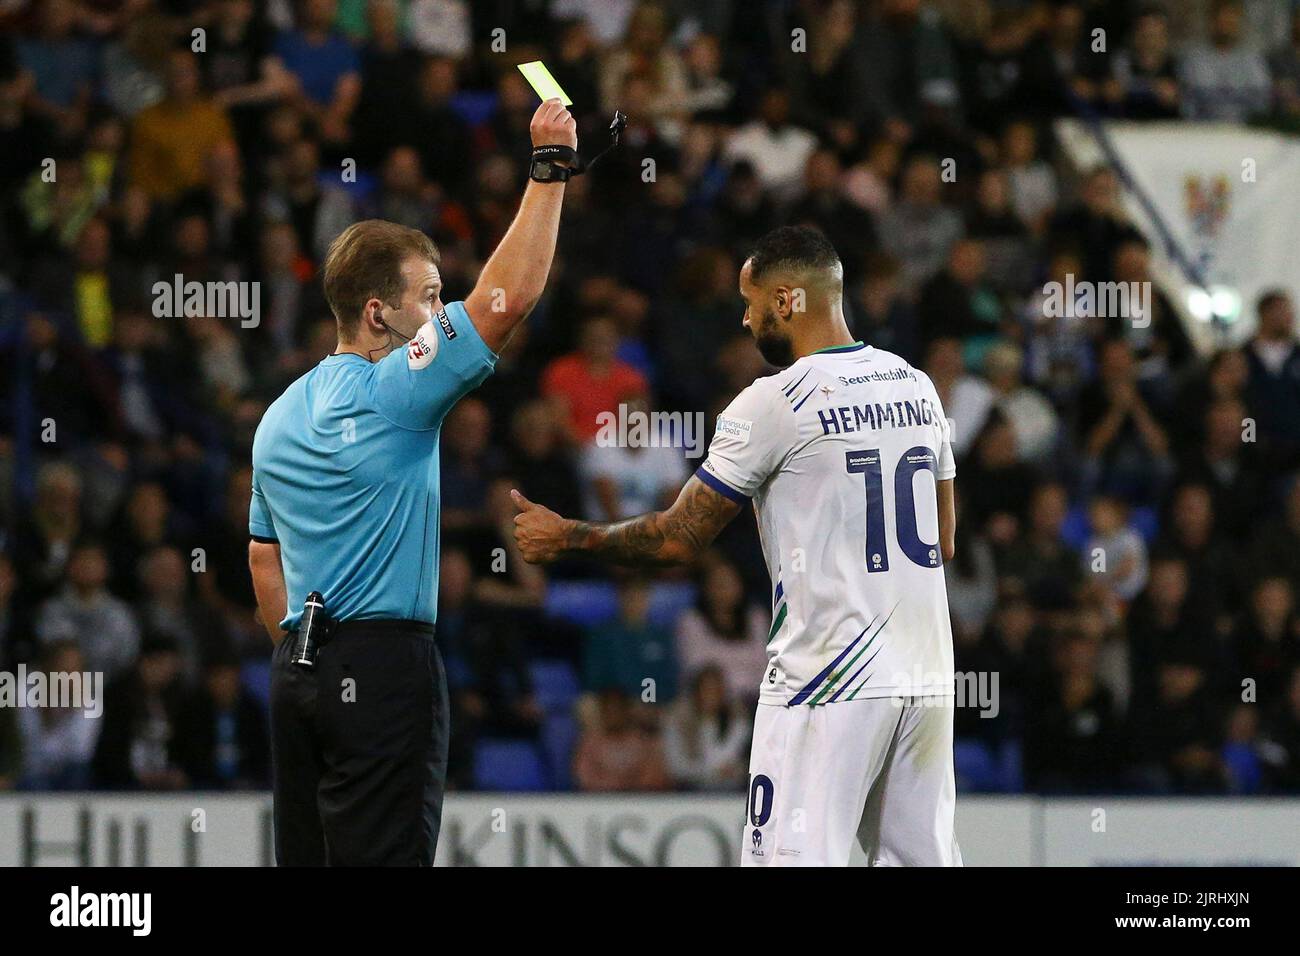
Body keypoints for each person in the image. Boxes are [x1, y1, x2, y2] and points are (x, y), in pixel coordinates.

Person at [512, 225, 962, 866]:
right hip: (924, 676)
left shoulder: (775, 402)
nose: (745, 319)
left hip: (826, 676)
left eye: (750, 302)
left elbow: (676, 539)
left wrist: (570, 537)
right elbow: (943, 539)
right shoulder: (917, 386)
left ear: (786, 301)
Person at [248, 97, 577, 866]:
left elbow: (266, 560)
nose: (440, 314)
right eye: (429, 298)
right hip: (385, 666)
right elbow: (508, 301)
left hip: (296, 670)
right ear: (377, 314)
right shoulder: (396, 391)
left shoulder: (276, 417)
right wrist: (550, 169)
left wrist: (310, 657)